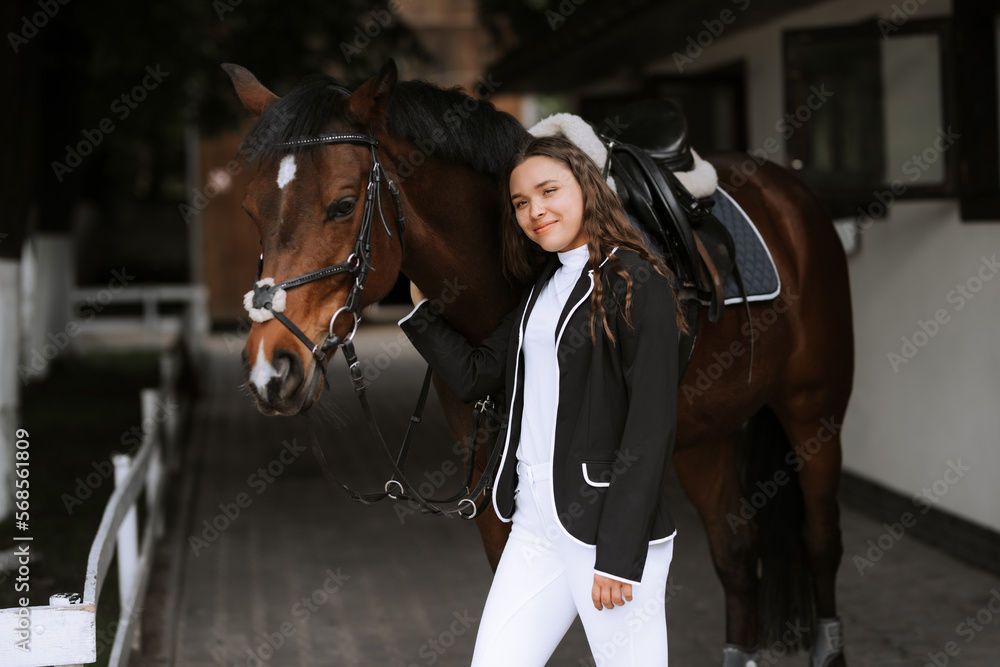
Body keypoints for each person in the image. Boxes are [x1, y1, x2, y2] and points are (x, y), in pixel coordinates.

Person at [396, 135, 689, 666]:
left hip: (603, 530)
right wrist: (422, 315)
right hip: (533, 525)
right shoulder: (543, 288)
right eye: (521, 202)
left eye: (548, 191)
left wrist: (619, 556)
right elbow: (476, 376)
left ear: (587, 188)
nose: (535, 211)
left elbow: (650, 427)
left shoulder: (637, 281)